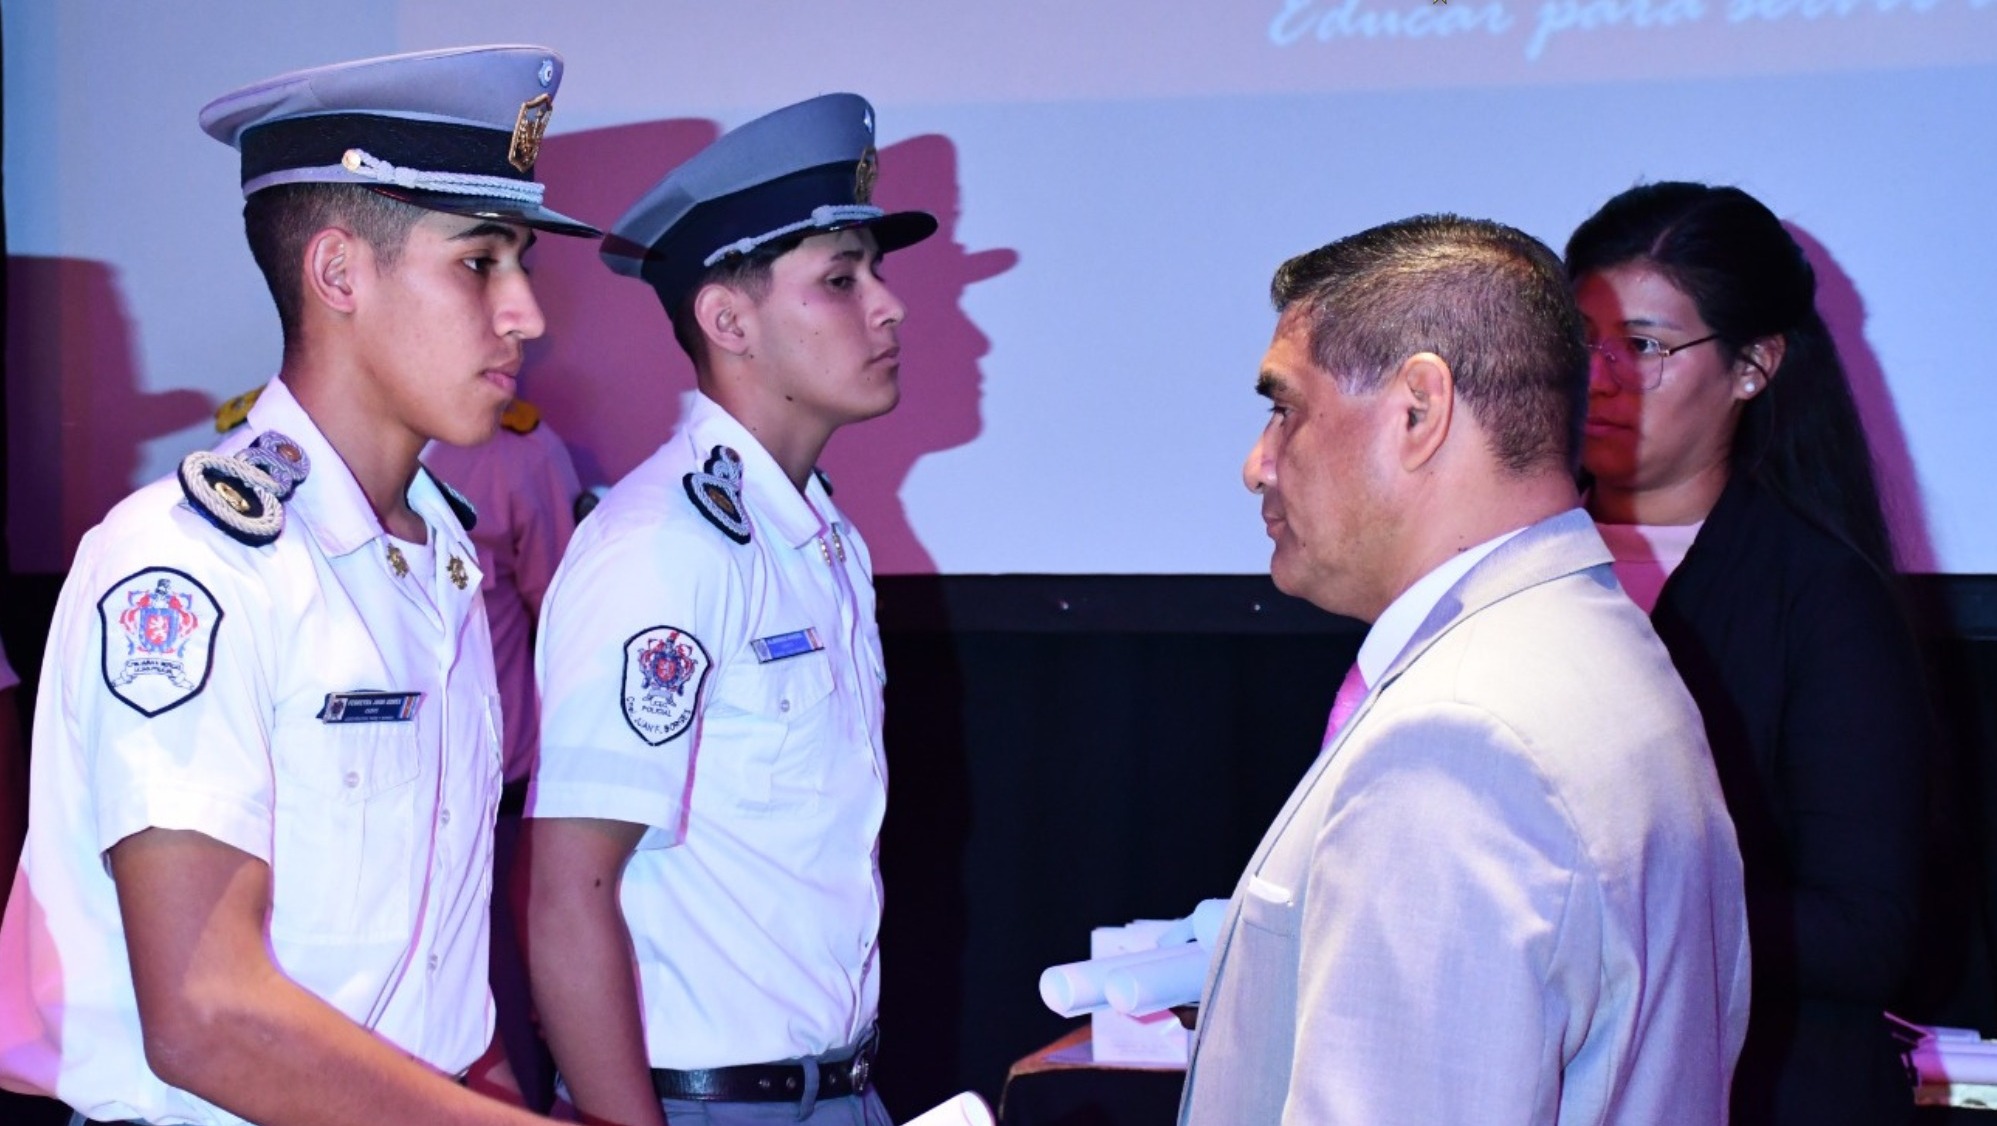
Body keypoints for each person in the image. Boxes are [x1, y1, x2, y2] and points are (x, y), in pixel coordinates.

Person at [0, 45, 599, 1126]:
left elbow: (440, 1002)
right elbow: (204, 1012)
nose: (525, 313)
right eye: (478, 263)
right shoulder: (191, 561)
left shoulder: (443, 563)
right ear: (337, 274)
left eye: (523, 265)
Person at [1177, 215, 1751, 1125]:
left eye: (1284, 408)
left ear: (1418, 409)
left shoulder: (1459, 740)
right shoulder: (1597, 649)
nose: (1258, 465)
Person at [524, 93, 935, 1126]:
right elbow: (568, 891)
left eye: (874, 275)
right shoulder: (660, 546)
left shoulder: (814, 537)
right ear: (726, 318)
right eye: (840, 280)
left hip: (835, 1091)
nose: (887, 306)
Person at [1567, 181, 1930, 1124]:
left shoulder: (1818, 596)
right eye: (1582, 342)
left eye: (1641, 347)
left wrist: (1599, 915)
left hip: (1765, 1091)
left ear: (1752, 366)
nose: (1599, 378)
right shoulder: (1513, 563)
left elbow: (1861, 933)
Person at [423, 398, 582, 1110]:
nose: (517, 315)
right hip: (340, 836)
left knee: (499, 1059)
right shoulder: (276, 461)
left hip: (498, 828)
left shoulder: (521, 453)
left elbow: (568, 633)